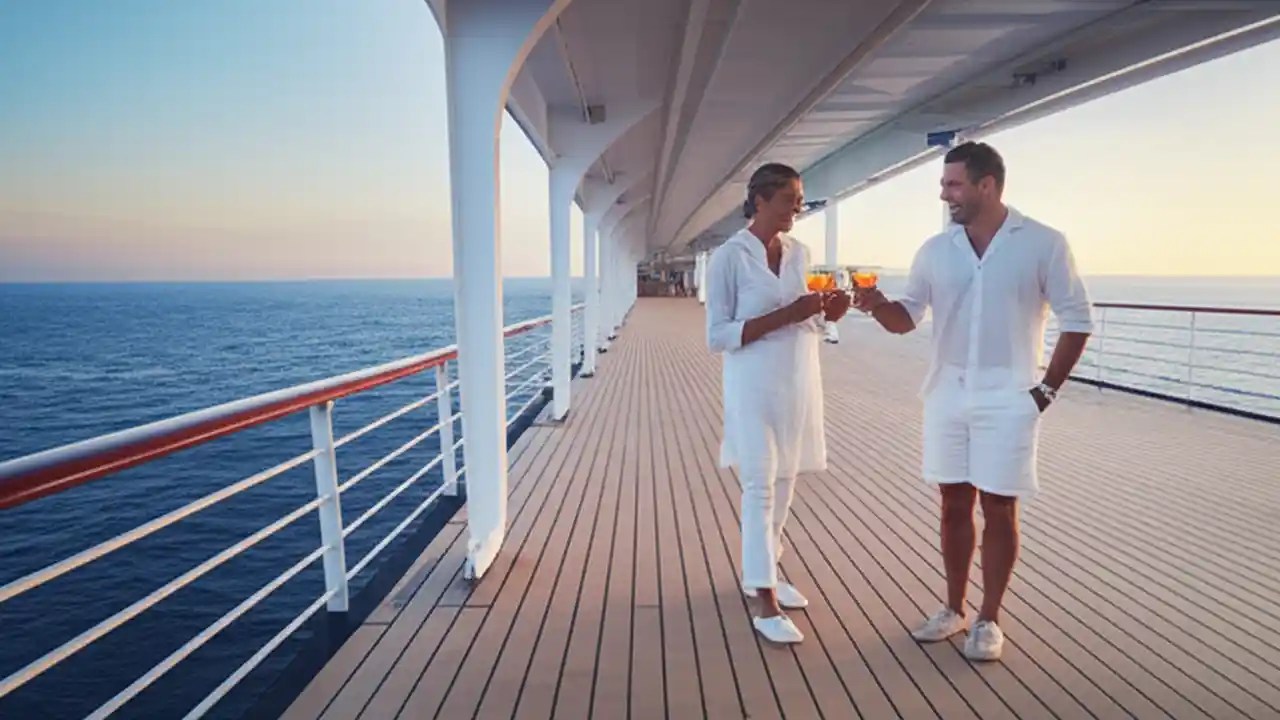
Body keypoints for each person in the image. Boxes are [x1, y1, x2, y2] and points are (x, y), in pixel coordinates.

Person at [853, 141, 1093, 660]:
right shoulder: (936, 251)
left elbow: (1078, 320)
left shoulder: (1044, 243)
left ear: (988, 184)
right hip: (946, 392)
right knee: (952, 503)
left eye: (953, 184)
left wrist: (1045, 390)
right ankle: (954, 608)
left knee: (1000, 507)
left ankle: (990, 619)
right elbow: (905, 319)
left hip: (1011, 394)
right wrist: (875, 305)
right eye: (944, 185)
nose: (944, 194)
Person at [705, 162, 850, 644]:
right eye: (791, 198)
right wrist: (790, 312)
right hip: (752, 383)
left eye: (801, 198)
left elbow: (807, 321)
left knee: (785, 483)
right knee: (760, 485)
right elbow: (718, 335)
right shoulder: (730, 257)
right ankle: (763, 596)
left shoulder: (799, 252)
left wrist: (829, 315)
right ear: (761, 200)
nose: (798, 208)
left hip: (797, 379)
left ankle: (762, 570)